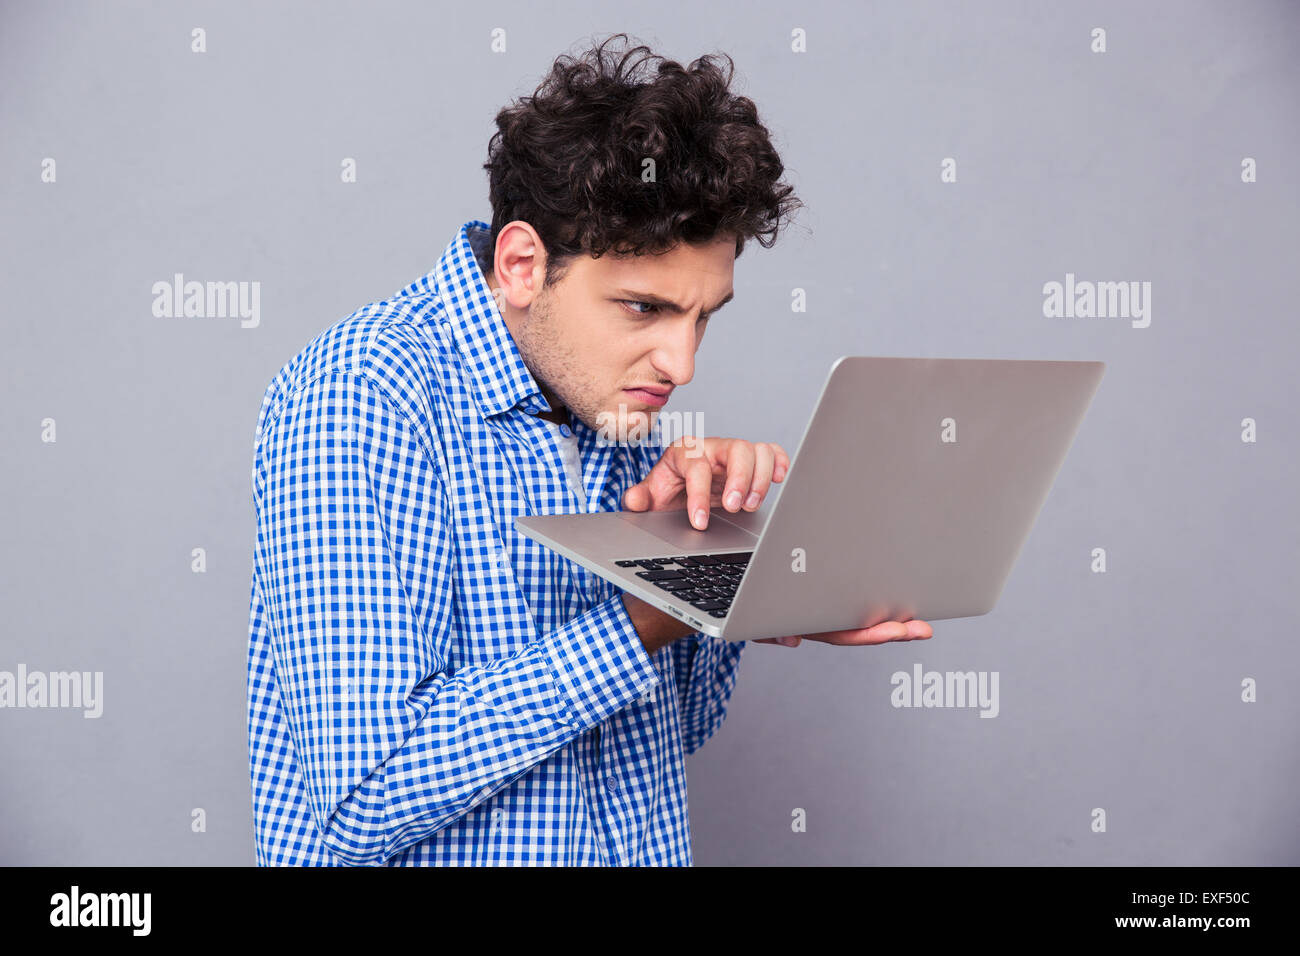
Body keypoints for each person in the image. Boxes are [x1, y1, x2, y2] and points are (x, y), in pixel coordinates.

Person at [245, 34, 932, 867]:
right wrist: (645, 615)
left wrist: (701, 558)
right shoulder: (361, 393)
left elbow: (670, 738)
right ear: (524, 264)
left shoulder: (606, 404)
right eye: (645, 309)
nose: (683, 366)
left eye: (704, 314)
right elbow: (365, 797)